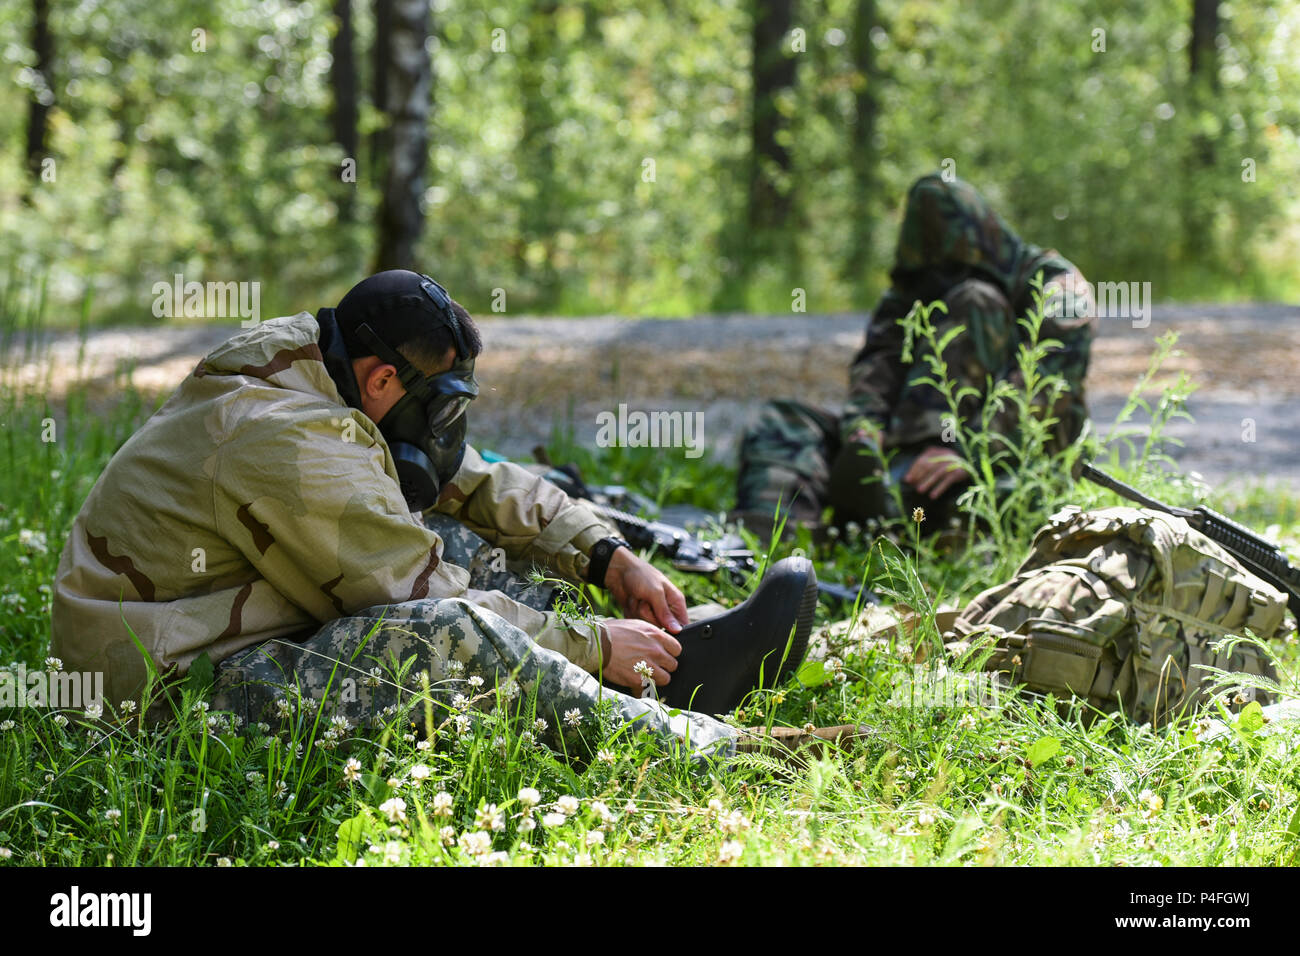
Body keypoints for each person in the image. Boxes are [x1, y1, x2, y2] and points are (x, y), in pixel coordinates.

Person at [51, 270, 852, 761]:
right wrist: (592, 640)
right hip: (164, 697)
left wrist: (607, 555)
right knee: (438, 633)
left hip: (229, 625)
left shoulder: (320, 366)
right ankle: (708, 748)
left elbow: (470, 479)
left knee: (466, 534)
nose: (442, 423)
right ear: (380, 381)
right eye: (436, 403)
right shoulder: (281, 438)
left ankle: (675, 668)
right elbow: (414, 591)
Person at [735, 173, 1098, 531]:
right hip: (901, 444)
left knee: (974, 301)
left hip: (1002, 450)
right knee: (783, 423)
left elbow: (1048, 388)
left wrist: (965, 451)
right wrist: (865, 429)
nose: (940, 282)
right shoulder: (918, 282)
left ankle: (902, 501)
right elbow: (880, 360)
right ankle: (777, 538)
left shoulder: (1057, 288)